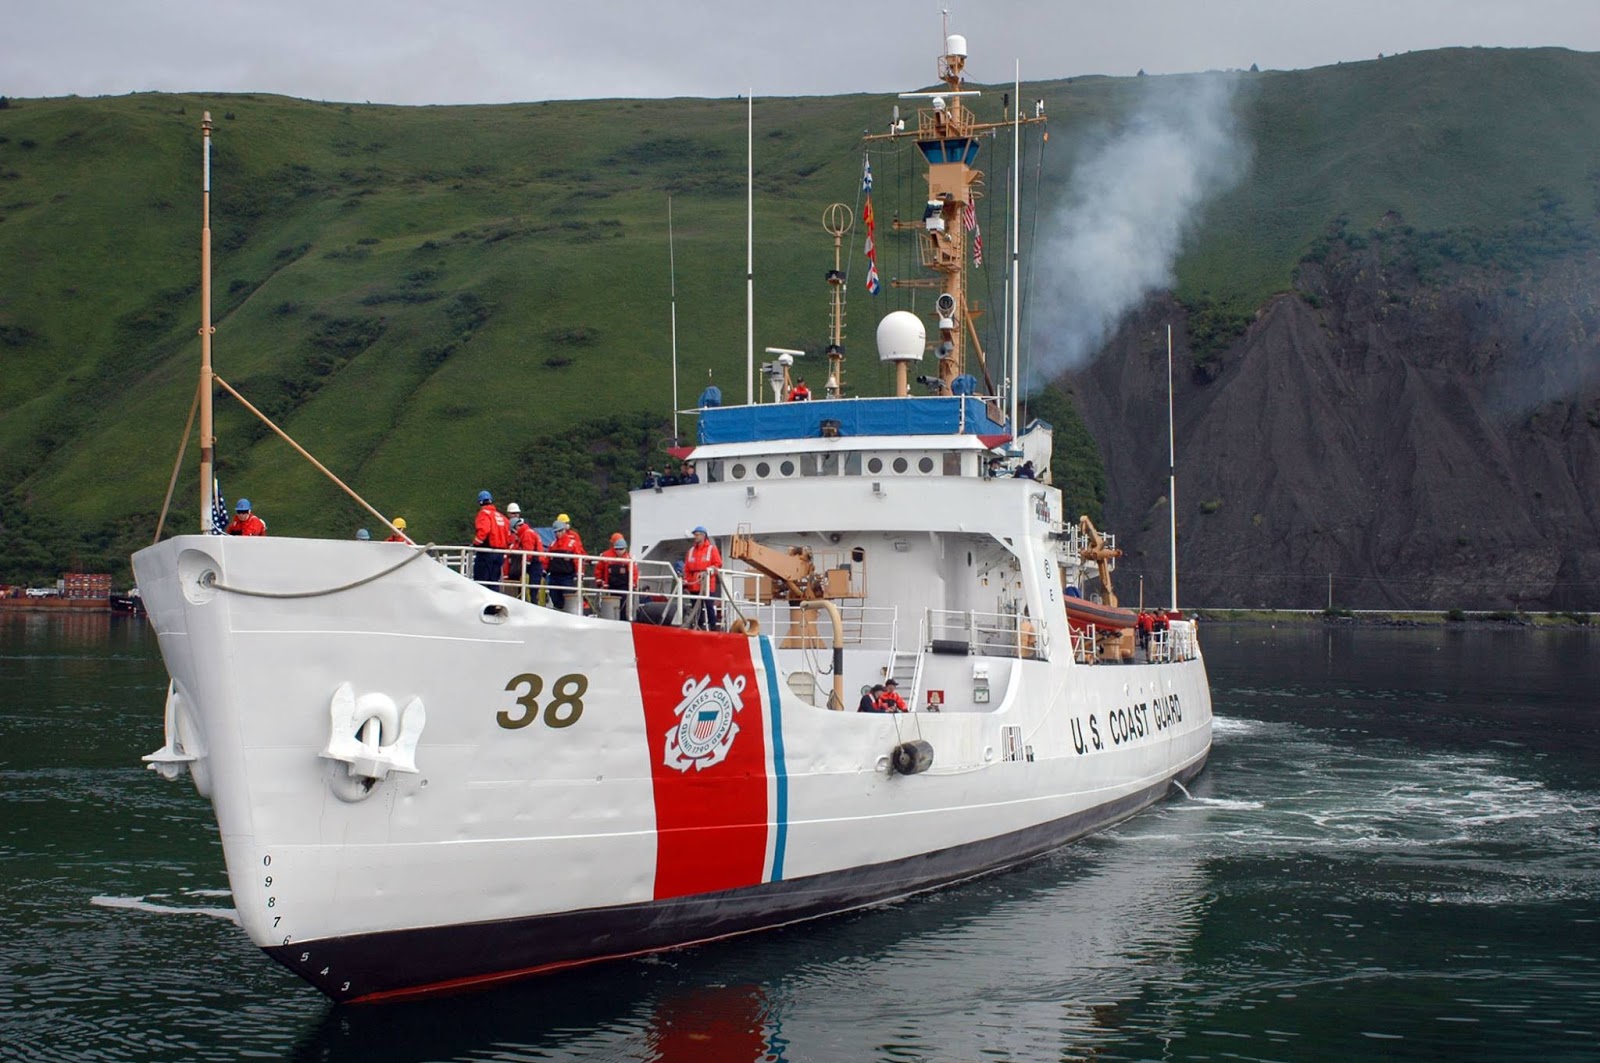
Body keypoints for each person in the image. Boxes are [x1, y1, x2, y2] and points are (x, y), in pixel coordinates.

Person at [683, 525, 723, 629]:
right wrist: (686, 582)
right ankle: (699, 626)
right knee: (696, 607)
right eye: (694, 535)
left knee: (709, 606)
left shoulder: (711, 549)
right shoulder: (691, 551)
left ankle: (713, 627)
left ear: (703, 535)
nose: (695, 537)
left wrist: (706, 572)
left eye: (697, 535)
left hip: (707, 584)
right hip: (693, 584)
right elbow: (686, 568)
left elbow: (717, 564)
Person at [546, 513, 585, 613]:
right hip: (554, 576)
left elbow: (578, 559)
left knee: (568, 599)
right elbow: (547, 560)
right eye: (556, 532)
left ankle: (568, 614)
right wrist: (544, 570)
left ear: (564, 530)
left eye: (560, 531)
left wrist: (580, 573)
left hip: (567, 577)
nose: (558, 533)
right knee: (555, 598)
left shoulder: (572, 544)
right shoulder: (552, 545)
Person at [504, 503, 545, 599]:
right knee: (531, 589)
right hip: (533, 564)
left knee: (533, 591)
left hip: (534, 564)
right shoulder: (525, 532)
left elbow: (528, 551)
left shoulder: (526, 534)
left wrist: (525, 564)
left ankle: (532, 605)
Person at [471, 490, 510, 587]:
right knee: (493, 582)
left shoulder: (484, 514)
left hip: (486, 553)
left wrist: (475, 543)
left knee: (481, 582)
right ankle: (494, 601)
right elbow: (509, 536)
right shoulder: (502, 517)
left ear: (480, 502)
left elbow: (484, 530)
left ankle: (482, 602)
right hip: (500, 554)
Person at [595, 536, 637, 620]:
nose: (619, 551)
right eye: (617, 549)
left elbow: (634, 572)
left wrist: (633, 583)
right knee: (610, 604)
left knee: (623, 605)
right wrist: (599, 581)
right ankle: (610, 618)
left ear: (625, 549)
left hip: (623, 586)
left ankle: (622, 620)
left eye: (621, 549)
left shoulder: (629, 559)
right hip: (610, 586)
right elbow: (599, 569)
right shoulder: (607, 556)